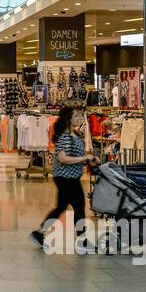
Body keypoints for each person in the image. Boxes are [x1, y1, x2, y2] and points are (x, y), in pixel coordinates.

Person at [30, 106, 97, 251]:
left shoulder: (75, 135)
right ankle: (82, 242)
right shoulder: (65, 137)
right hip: (66, 178)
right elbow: (62, 158)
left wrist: (89, 159)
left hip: (69, 177)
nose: (79, 118)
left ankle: (39, 233)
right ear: (68, 119)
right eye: (75, 116)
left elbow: (76, 156)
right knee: (79, 207)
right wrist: (84, 158)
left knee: (61, 207)